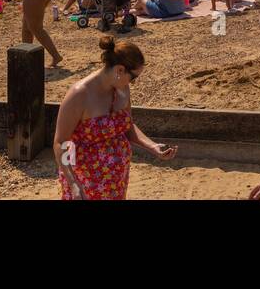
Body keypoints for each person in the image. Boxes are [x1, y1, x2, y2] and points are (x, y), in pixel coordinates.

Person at [54, 38, 177, 200]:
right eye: (133, 78)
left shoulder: (122, 89)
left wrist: (153, 147)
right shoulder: (80, 95)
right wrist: (73, 184)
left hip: (116, 181)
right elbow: (61, 142)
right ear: (120, 70)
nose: (132, 83)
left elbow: (127, 126)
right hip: (85, 182)